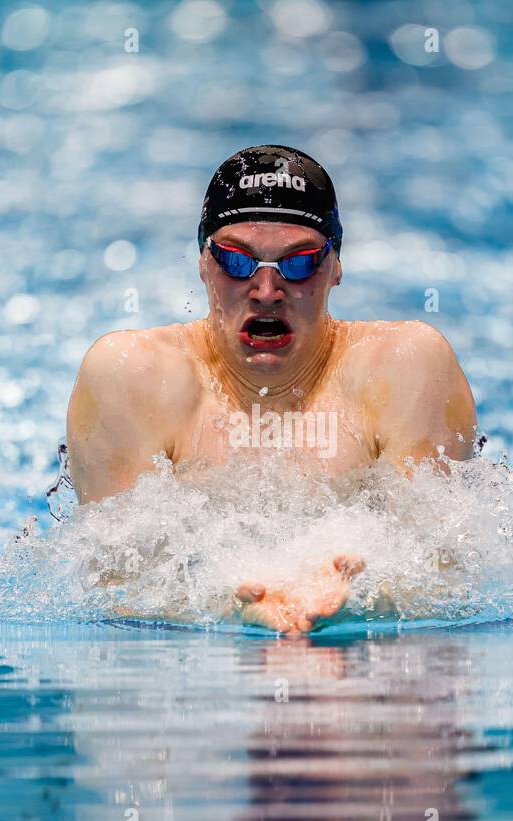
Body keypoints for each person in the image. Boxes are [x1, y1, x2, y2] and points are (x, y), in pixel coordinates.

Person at [66, 145, 478, 634]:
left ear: (336, 267)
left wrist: (367, 601)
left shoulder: (405, 367)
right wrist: (232, 610)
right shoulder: (132, 376)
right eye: (237, 261)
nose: (265, 290)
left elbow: (447, 577)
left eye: (300, 263)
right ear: (203, 263)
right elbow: (115, 589)